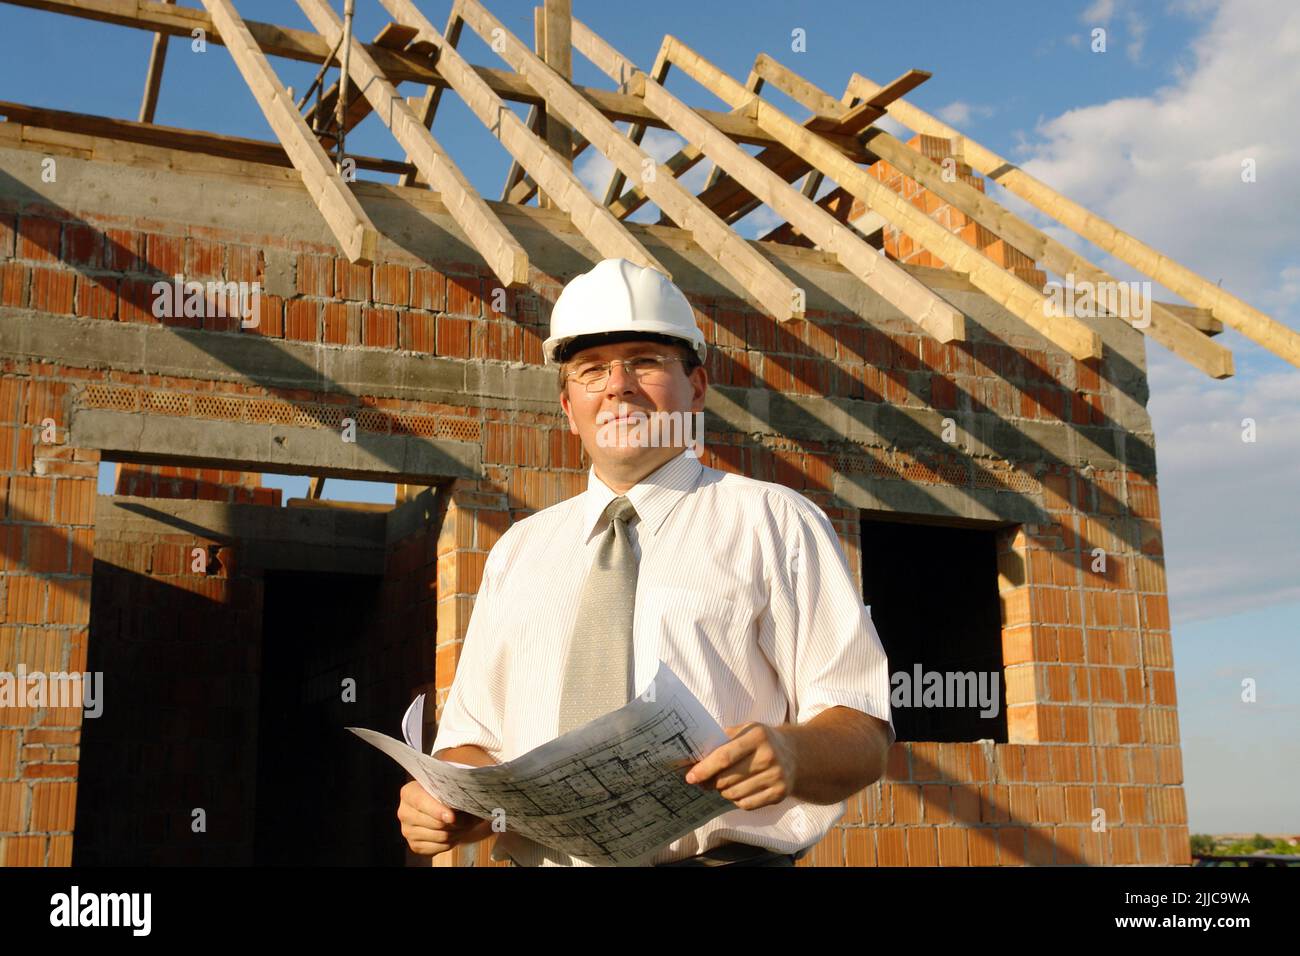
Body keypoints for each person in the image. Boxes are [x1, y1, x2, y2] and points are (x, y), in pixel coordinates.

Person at [397, 258, 895, 867]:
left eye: (646, 361)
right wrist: (446, 802)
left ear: (698, 387)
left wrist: (792, 754)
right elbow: (471, 744)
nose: (618, 385)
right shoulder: (518, 554)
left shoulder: (775, 523)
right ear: (567, 403)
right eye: (592, 370)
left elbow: (865, 735)